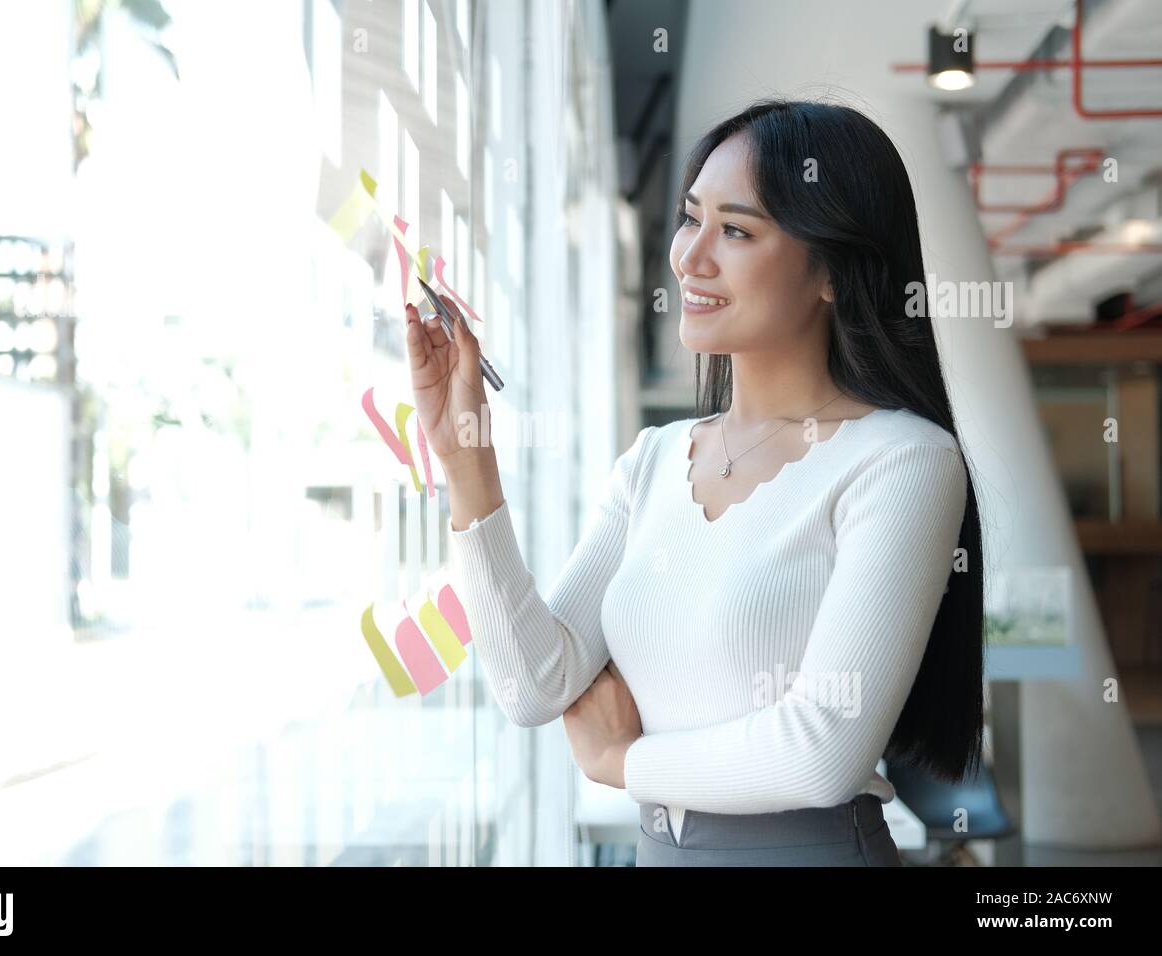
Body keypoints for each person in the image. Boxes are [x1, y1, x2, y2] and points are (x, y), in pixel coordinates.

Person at [403, 98, 984, 867]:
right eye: (690, 218)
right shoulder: (653, 460)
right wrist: (465, 458)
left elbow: (820, 752)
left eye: (736, 230)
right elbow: (535, 684)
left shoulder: (902, 461)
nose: (688, 256)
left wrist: (621, 763)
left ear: (834, 274)